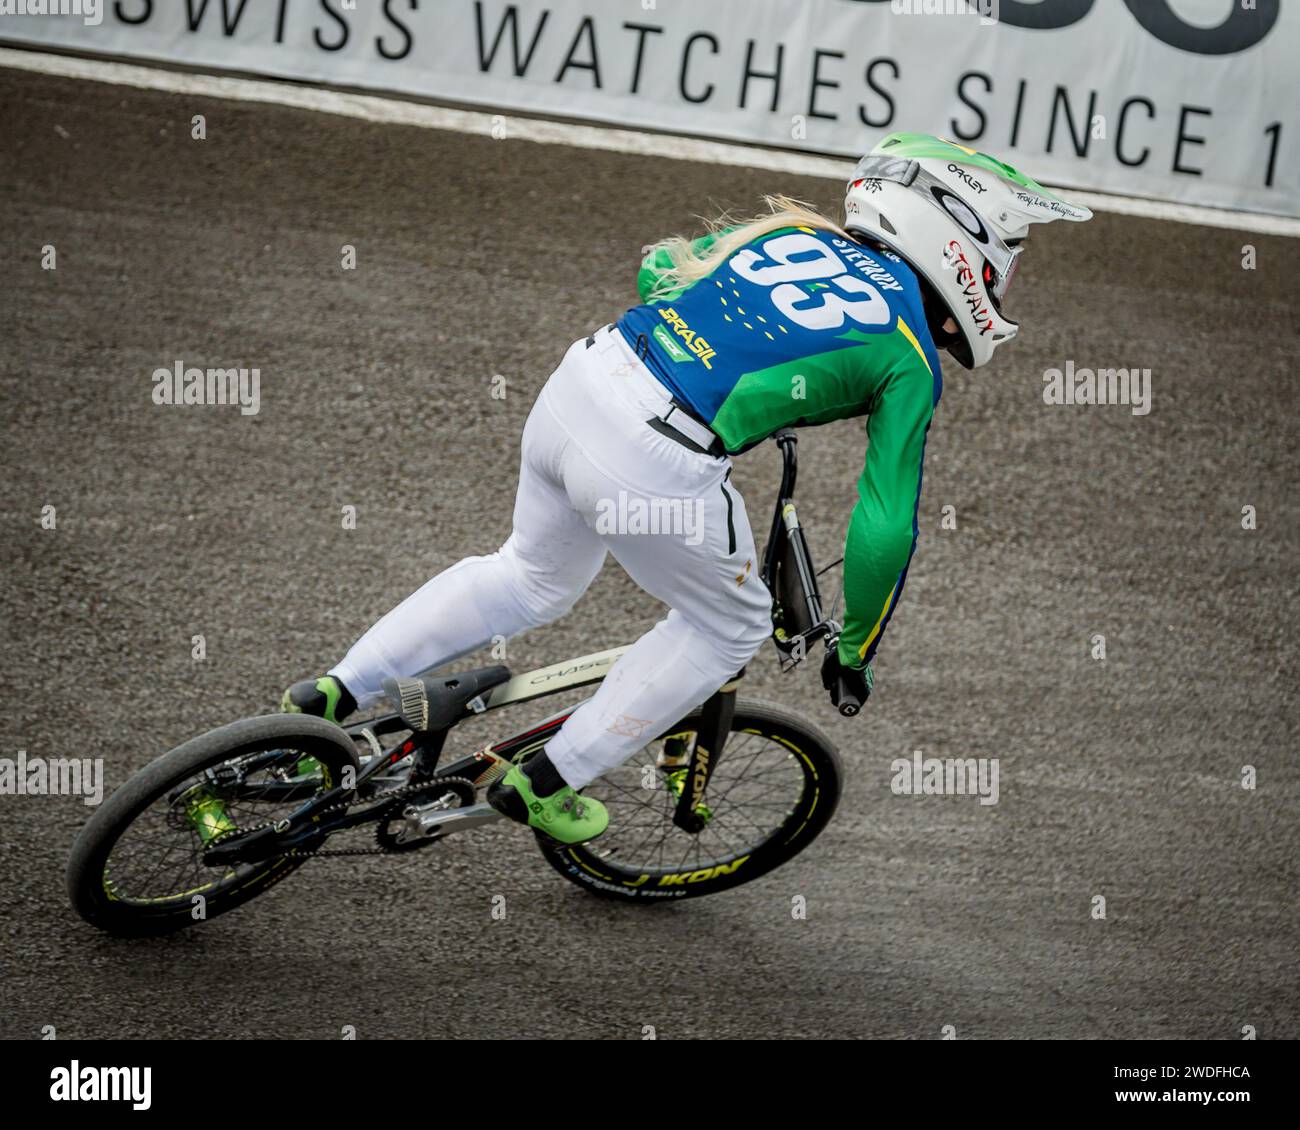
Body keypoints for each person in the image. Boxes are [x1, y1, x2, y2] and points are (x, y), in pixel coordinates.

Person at [282, 132, 1092, 844]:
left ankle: (327, 696)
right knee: (730, 626)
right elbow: (884, 524)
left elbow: (660, 269)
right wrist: (854, 651)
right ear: (958, 238)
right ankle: (548, 781)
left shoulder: (792, 233)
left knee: (527, 576)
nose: (1003, 276)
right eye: (1006, 252)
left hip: (583, 379)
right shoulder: (910, 356)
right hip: (654, 454)